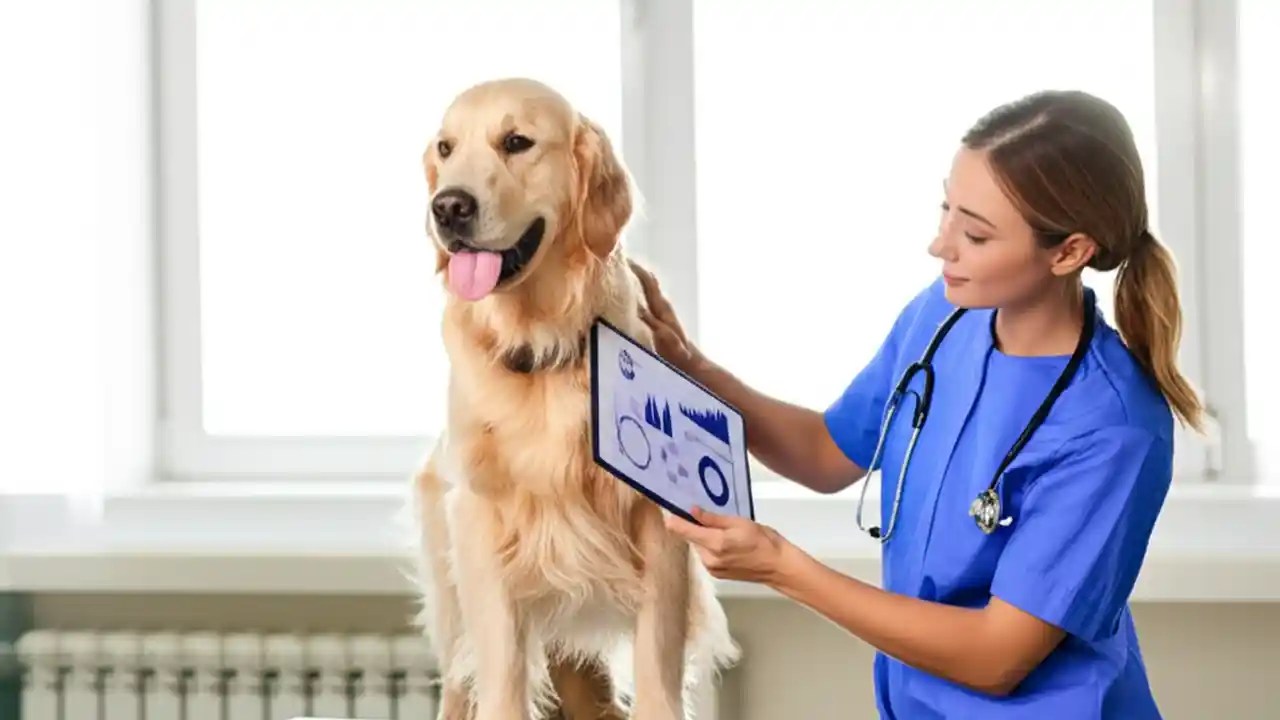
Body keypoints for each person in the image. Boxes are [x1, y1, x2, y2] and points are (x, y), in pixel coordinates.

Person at [632, 89, 1203, 718]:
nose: (941, 246)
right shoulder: (944, 318)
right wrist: (693, 368)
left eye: (976, 234)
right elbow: (826, 452)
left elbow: (996, 659)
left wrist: (781, 567)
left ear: (1069, 251)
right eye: (947, 210)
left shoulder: (1112, 426)